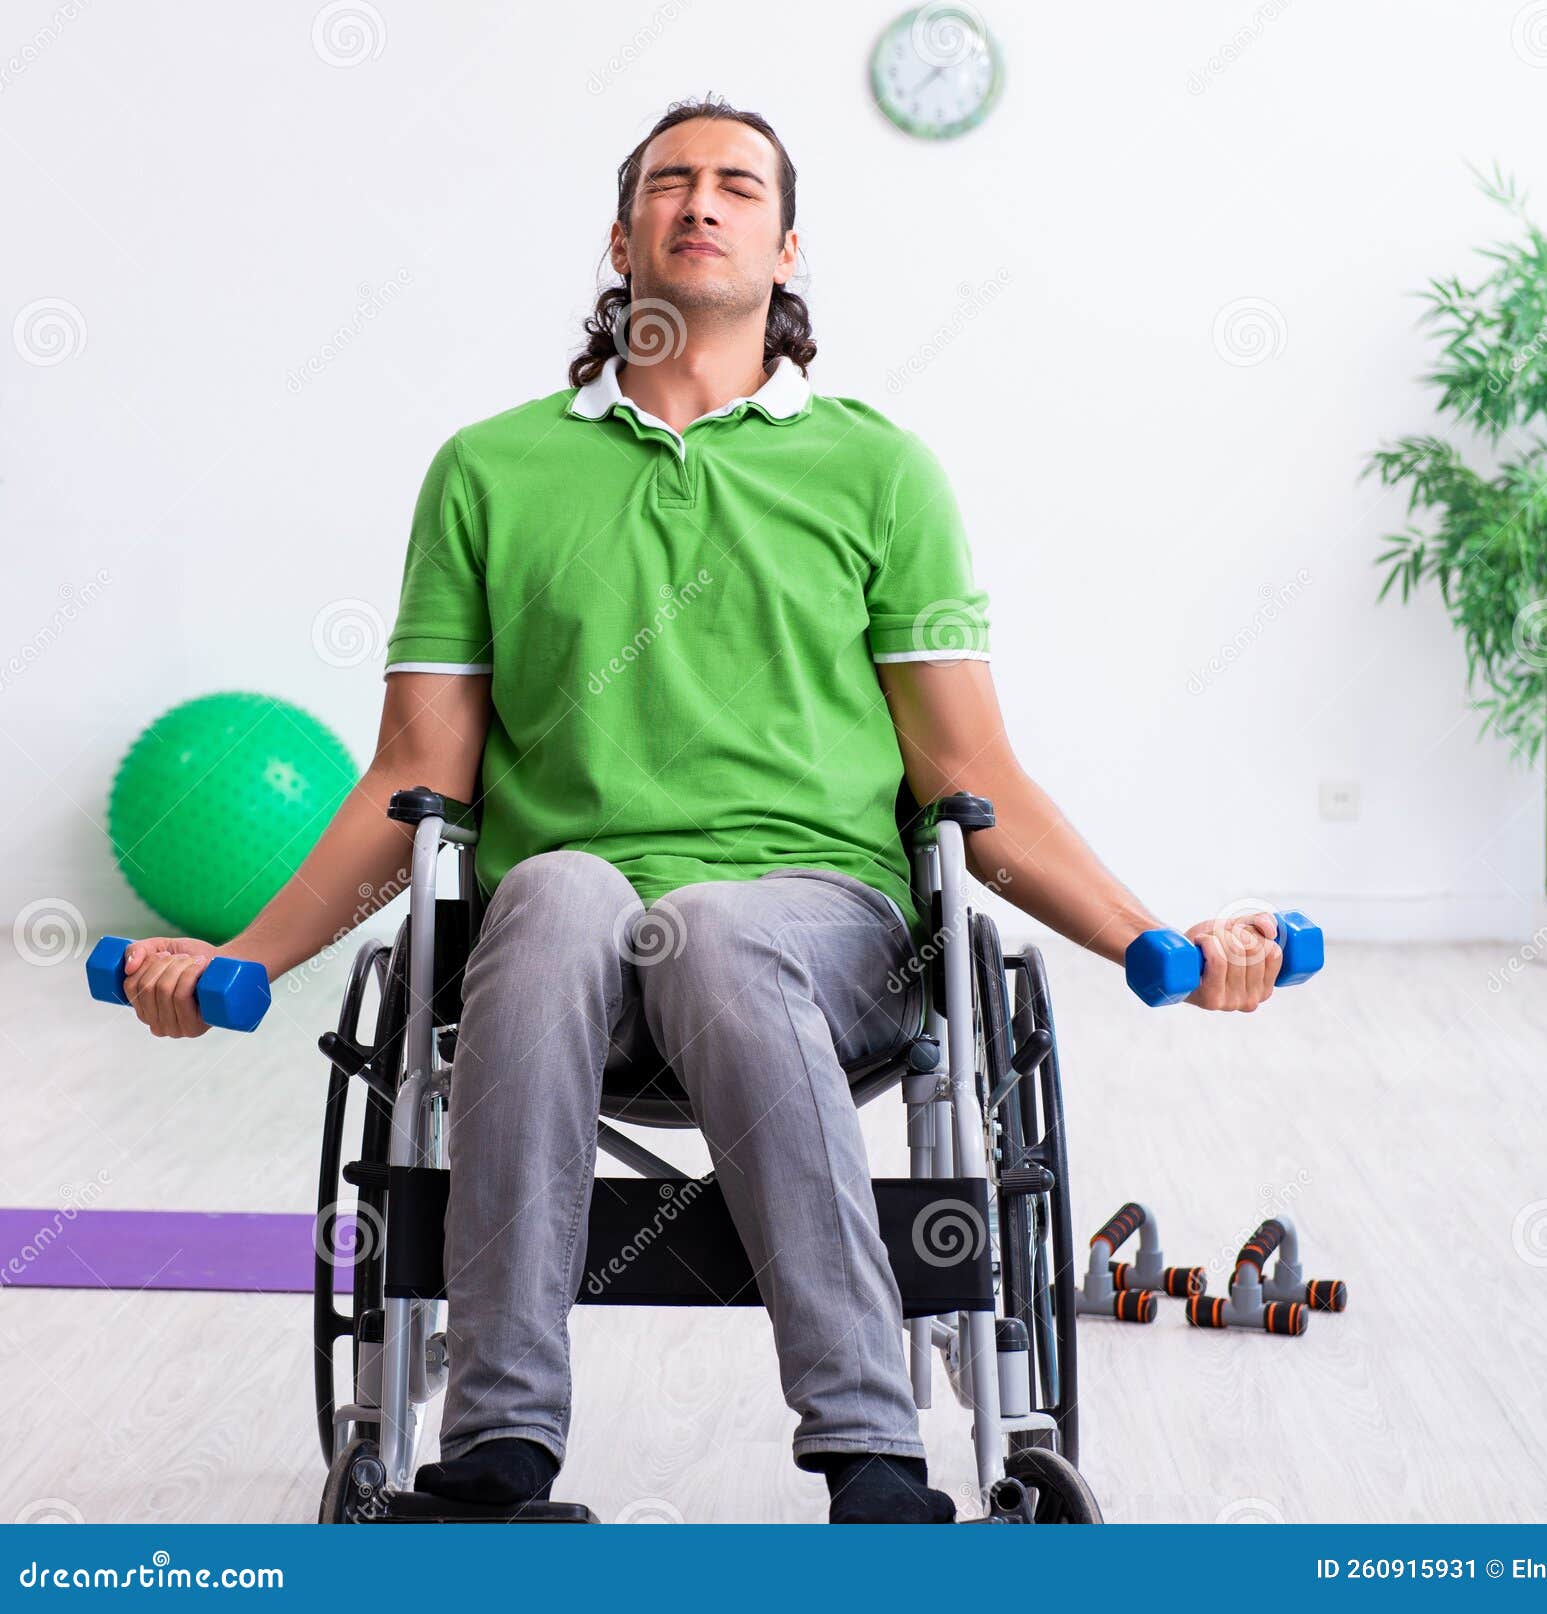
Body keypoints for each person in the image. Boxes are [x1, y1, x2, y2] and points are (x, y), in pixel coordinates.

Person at [122, 96, 1285, 1524]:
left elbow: (969, 777)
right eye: (669, 184)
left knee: (717, 930)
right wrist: (237, 955)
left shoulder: (877, 467)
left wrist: (1152, 935)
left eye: (738, 185)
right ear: (622, 240)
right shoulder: (492, 468)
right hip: (562, 964)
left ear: (788, 245)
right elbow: (407, 781)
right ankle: (496, 1461)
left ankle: (875, 1459)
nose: (701, 202)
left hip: (825, 933)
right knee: (548, 888)